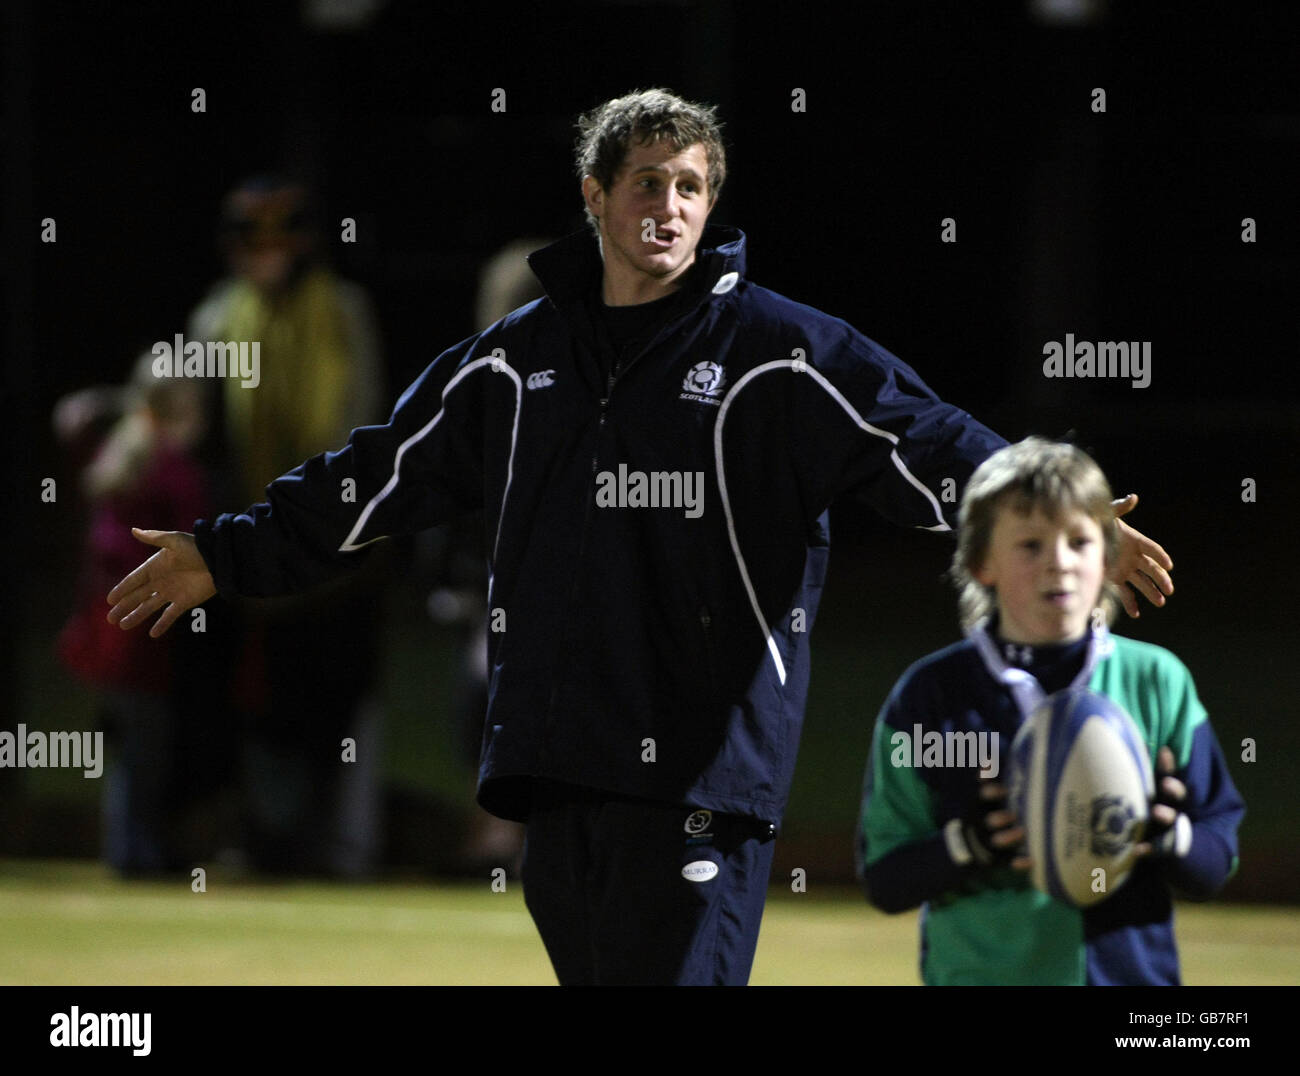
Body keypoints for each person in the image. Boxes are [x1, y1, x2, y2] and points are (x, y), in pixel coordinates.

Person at [106, 89, 1173, 985]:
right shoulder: (513, 362)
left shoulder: (779, 355)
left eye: (691, 186)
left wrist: (1058, 511)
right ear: (594, 197)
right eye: (647, 183)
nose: (670, 207)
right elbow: (378, 473)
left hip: (705, 772)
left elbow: (927, 440)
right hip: (557, 764)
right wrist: (226, 550)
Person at [855, 438, 1244, 985]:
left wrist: (1168, 835)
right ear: (980, 563)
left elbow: (1215, 863)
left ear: (1108, 557)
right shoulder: (931, 694)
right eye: (1031, 545)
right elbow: (885, 879)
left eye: (1080, 542)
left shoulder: (1156, 681)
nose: (1058, 563)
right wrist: (971, 843)